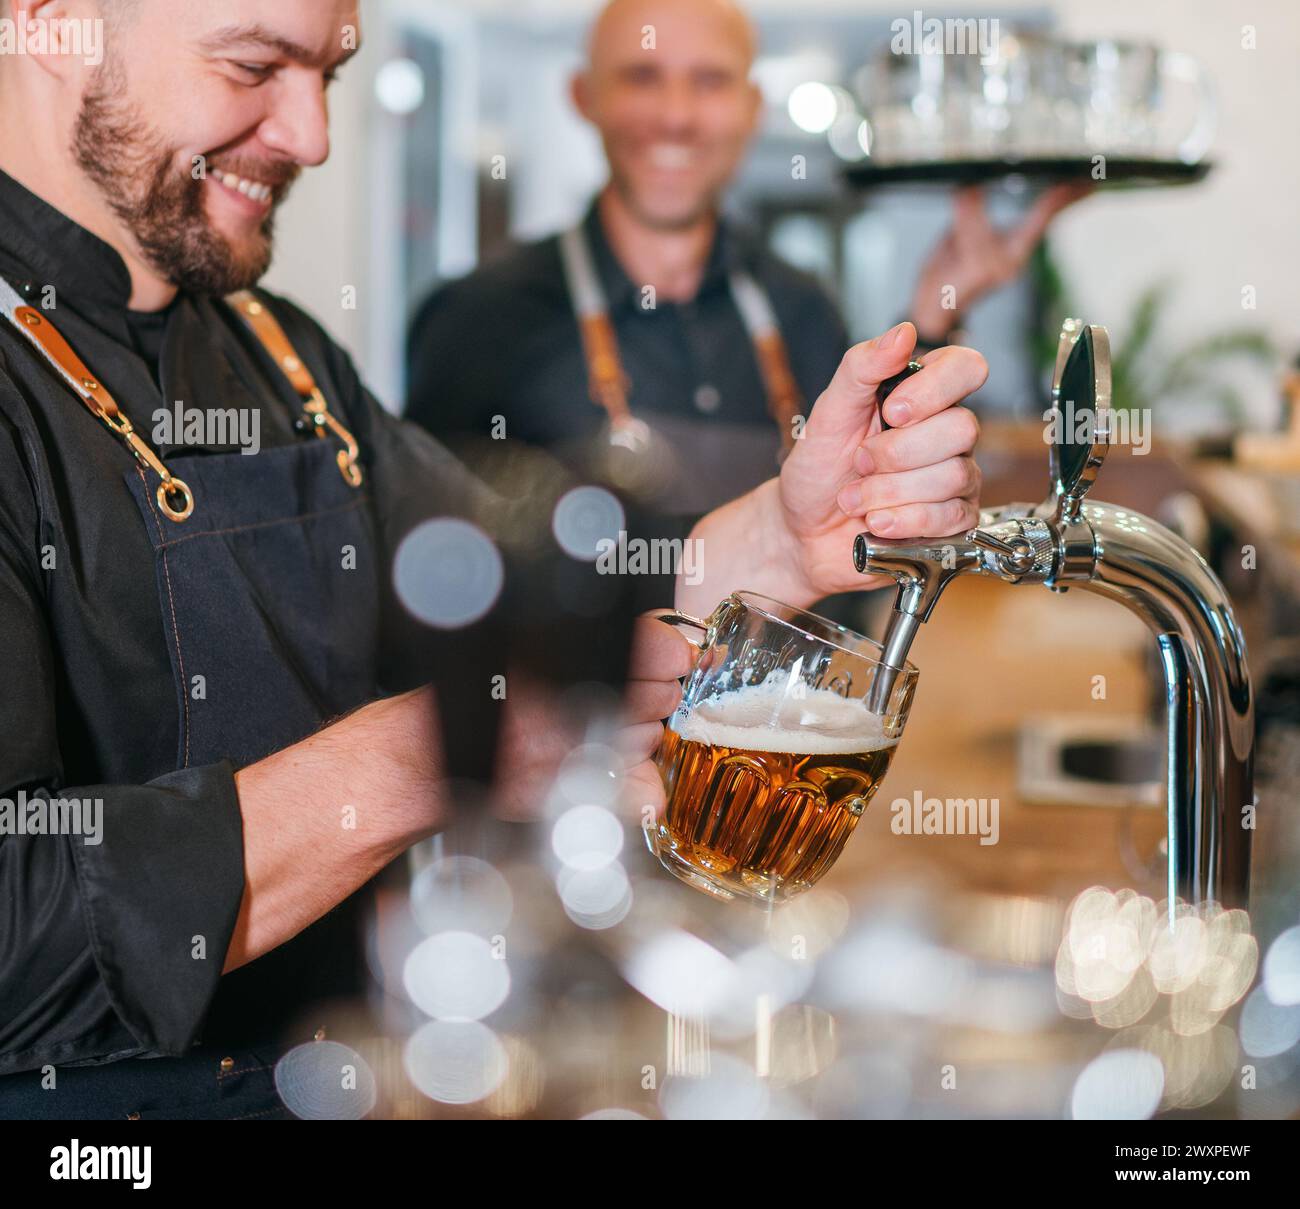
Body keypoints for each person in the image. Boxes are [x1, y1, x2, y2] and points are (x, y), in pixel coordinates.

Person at [0, 0, 982, 1119]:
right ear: (49, 23)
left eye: (329, 71)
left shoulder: (279, 351)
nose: (312, 134)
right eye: (255, 65)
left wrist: (783, 534)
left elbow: (540, 611)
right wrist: (432, 751)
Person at [405, 0, 1082, 553]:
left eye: (710, 81)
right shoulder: (478, 319)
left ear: (753, 106)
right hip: (576, 723)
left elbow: (861, 521)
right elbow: (434, 574)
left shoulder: (802, 309)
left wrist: (936, 310)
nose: (676, 115)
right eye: (642, 76)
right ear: (585, 97)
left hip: (776, 715)